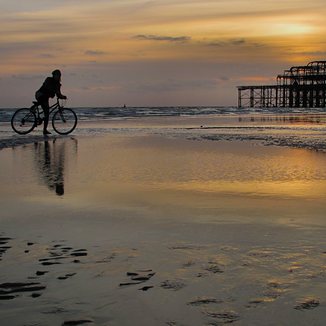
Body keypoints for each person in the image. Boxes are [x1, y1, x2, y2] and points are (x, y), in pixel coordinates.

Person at [35, 69, 67, 135]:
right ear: (53, 75)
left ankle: (44, 129)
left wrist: (63, 96)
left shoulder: (58, 84)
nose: (57, 77)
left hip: (45, 97)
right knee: (46, 112)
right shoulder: (48, 79)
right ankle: (44, 129)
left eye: (58, 75)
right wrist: (55, 90)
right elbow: (47, 87)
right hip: (40, 94)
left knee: (47, 114)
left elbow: (59, 94)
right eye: (56, 75)